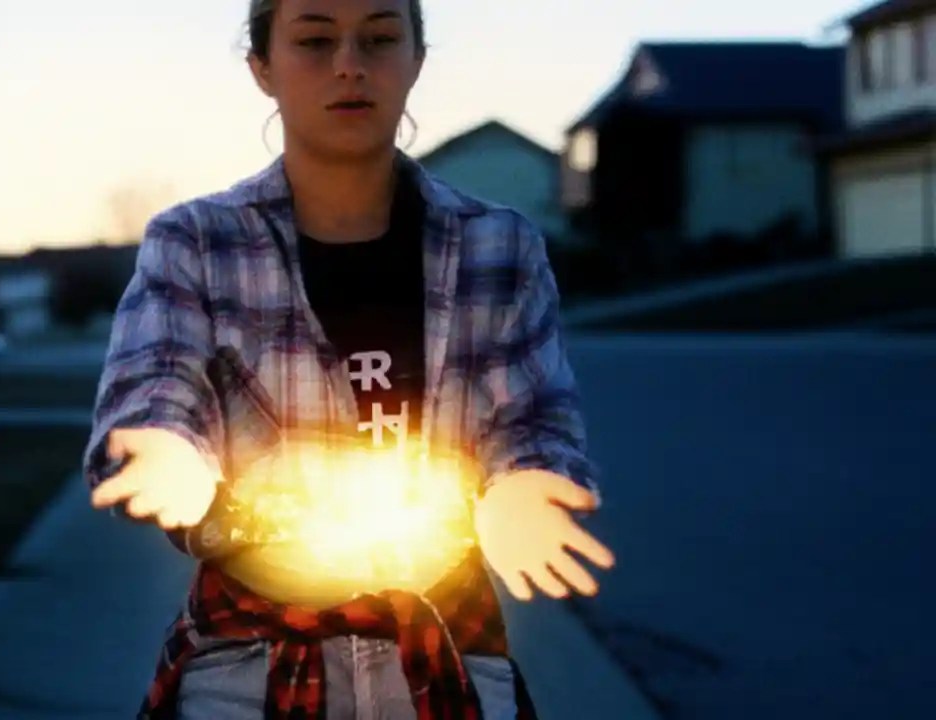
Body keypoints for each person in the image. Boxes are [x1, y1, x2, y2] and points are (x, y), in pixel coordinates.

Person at [83, 0, 616, 717]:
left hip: (448, 650)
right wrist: (166, 452)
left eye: (379, 37)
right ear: (261, 68)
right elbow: (153, 385)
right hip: (251, 660)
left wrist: (524, 484)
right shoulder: (196, 242)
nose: (349, 64)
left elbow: (534, 416)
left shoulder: (499, 245)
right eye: (314, 39)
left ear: (416, 60)